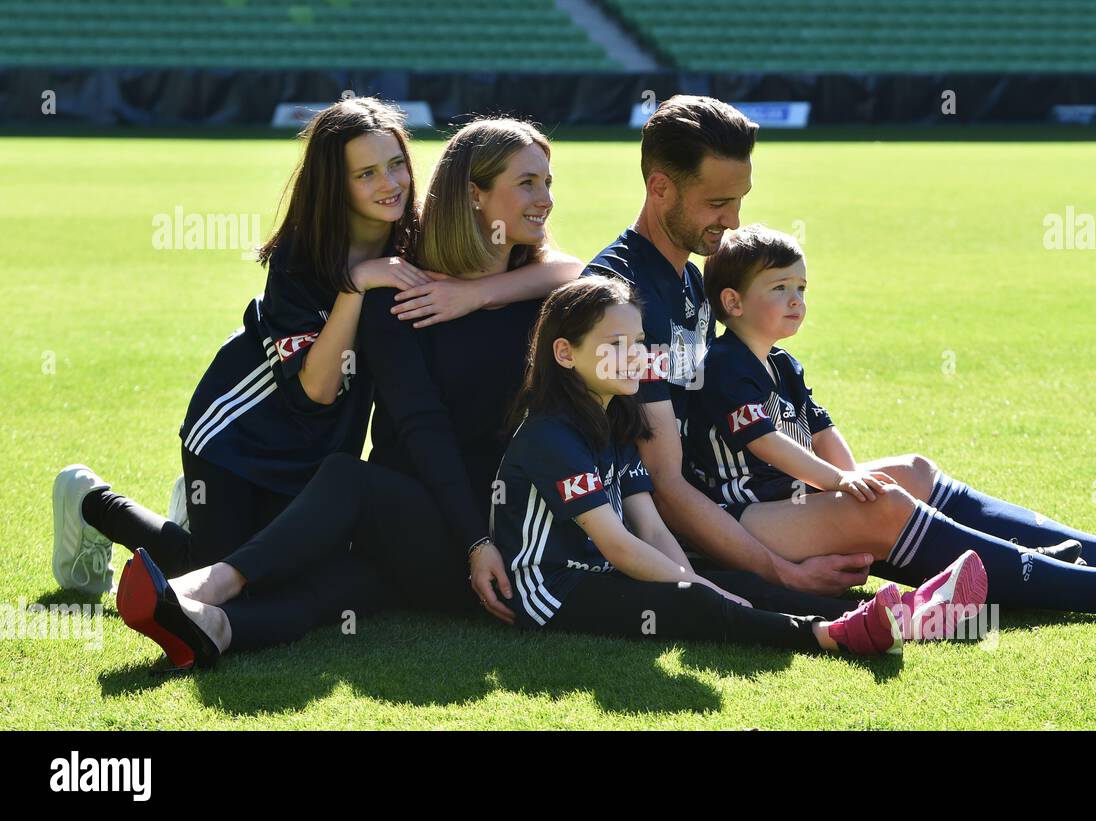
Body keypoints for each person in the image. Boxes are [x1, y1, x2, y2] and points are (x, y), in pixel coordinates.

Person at [114, 117, 582, 668]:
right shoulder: (399, 292)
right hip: (332, 479)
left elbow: (578, 270)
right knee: (335, 586)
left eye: (548, 182)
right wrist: (474, 543)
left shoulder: (549, 297)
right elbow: (414, 425)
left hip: (489, 543)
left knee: (344, 514)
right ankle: (215, 620)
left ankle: (209, 588)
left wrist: (477, 295)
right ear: (474, 195)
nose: (545, 199)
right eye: (527, 183)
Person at [683, 224, 1096, 621]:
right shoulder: (727, 364)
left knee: (910, 472)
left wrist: (849, 483)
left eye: (801, 288)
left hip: (788, 505)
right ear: (732, 302)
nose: (796, 300)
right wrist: (840, 489)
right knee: (882, 502)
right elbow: (767, 442)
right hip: (743, 522)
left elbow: (824, 432)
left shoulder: (780, 361)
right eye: (778, 288)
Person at [490, 275, 989, 654]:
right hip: (552, 591)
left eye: (638, 342)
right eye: (614, 345)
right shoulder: (550, 435)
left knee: (731, 583)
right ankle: (830, 636)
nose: (633, 356)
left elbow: (649, 524)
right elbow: (619, 544)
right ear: (564, 353)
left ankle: (902, 615)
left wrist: (694, 577)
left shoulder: (615, 417)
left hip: (600, 570)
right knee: (696, 600)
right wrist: (694, 588)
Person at [53, 96, 428, 592]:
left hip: (320, 448)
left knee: (285, 572)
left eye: (396, 164)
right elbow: (316, 388)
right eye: (366, 174)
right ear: (334, 185)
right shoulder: (301, 256)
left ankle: (198, 508)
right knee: (213, 576)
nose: (390, 183)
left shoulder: (416, 241)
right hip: (239, 433)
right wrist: (355, 284)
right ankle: (90, 502)